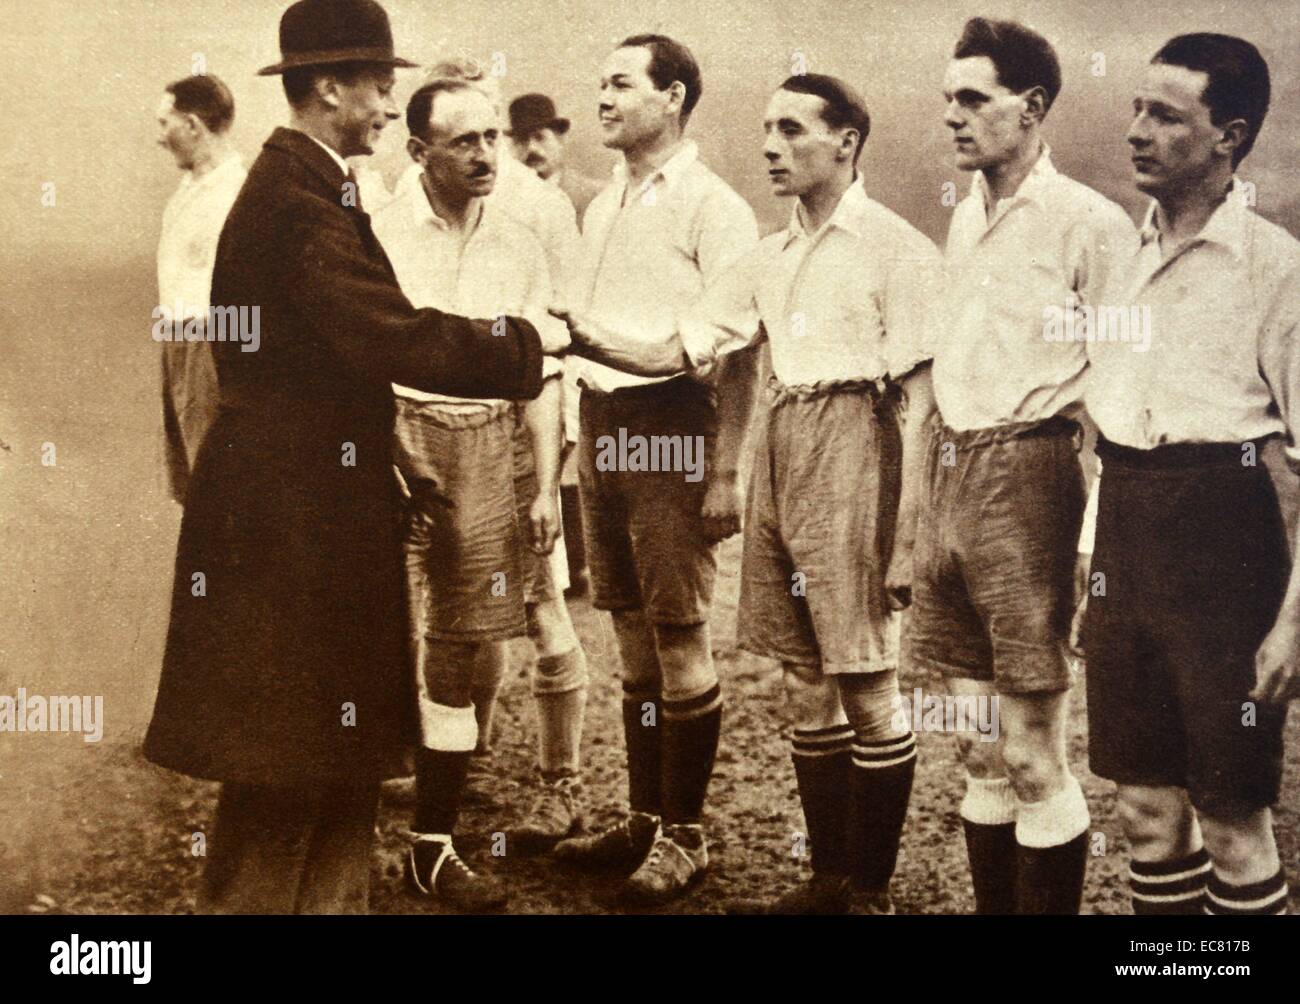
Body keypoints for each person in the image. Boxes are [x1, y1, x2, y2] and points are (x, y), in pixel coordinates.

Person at [142, 0, 559, 914]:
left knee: (334, 749)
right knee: (282, 754)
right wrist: (527, 344)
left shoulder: (314, 184)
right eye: (378, 86)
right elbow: (390, 334)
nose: (385, 103)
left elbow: (331, 357)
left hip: (316, 498)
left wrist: (385, 452)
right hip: (287, 515)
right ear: (328, 88)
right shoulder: (295, 198)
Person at [563, 74, 940, 915]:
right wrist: (587, 337)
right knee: (805, 679)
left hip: (861, 448)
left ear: (846, 142)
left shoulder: (896, 247)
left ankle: (872, 893)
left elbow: (920, 406)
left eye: (793, 130)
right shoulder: (767, 256)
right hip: (785, 443)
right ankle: (829, 882)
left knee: (867, 682)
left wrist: (908, 531)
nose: (771, 145)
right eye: (767, 129)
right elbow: (679, 349)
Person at [905, 17, 1135, 914]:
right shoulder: (965, 216)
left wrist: (1090, 532)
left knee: (1035, 747)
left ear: (1032, 107)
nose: (953, 117)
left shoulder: (1091, 224)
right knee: (970, 740)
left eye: (974, 99)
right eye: (947, 99)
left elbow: (1116, 393)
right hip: (951, 476)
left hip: (1033, 481)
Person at [1080, 33, 1297, 916]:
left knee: (1233, 815)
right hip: (1127, 537)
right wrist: (1089, 567)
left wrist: (1293, 625)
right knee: (1144, 809)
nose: (1137, 130)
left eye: (1166, 115)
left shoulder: (1278, 270)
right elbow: (1113, 437)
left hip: (1226, 546)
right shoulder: (1120, 257)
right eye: (1137, 107)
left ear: (1229, 137)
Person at [548, 33, 759, 904]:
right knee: (628, 630)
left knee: (678, 635)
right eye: (599, 81)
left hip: (673, 426)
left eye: (622, 84)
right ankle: (642, 818)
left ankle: (686, 836)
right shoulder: (605, 204)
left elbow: (736, 348)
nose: (603, 98)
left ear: (673, 98)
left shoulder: (716, 207)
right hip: (603, 423)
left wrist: (724, 471)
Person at [373, 78, 588, 911]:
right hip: (396, 436)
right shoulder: (381, 233)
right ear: (419, 151)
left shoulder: (523, 235)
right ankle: (334, 829)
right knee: (372, 627)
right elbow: (356, 356)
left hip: (492, 447)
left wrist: (541, 487)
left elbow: (540, 371)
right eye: (463, 141)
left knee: (460, 645)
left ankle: (432, 846)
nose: (486, 154)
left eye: (492, 137)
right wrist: (390, 451)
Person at [154, 73, 245, 505]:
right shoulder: (189, 189)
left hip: (212, 344)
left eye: (164, 124)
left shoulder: (236, 193)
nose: (160, 138)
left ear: (192, 125)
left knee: (218, 482)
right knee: (191, 482)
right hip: (177, 343)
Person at [508, 92, 604, 227]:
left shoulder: (597, 197)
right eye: (522, 140)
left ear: (560, 140)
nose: (532, 148)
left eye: (540, 137)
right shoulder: (505, 203)